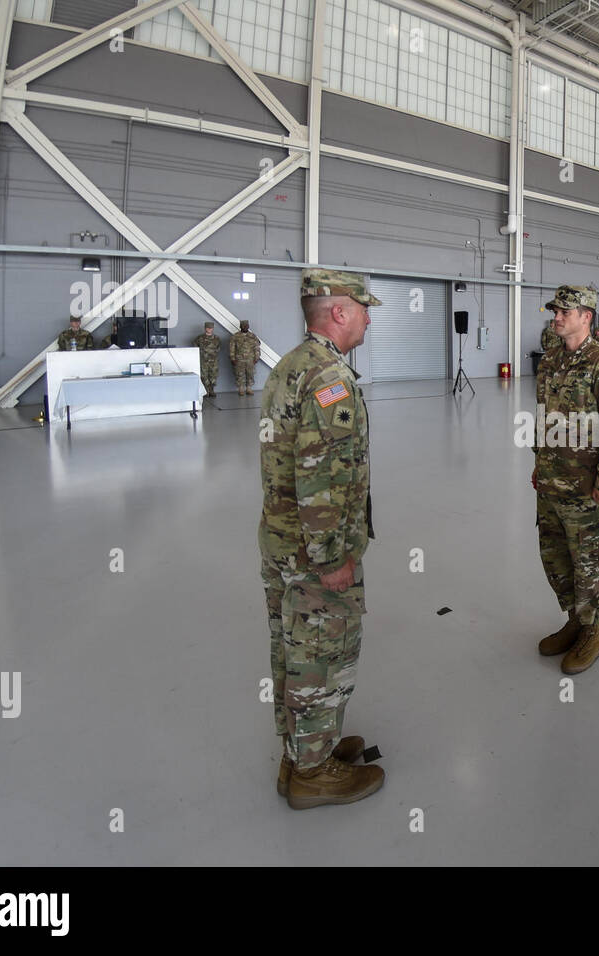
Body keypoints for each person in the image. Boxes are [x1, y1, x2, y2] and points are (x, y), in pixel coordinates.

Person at [258, 269, 385, 811]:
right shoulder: (330, 378)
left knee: (292, 649)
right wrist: (333, 557)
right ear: (339, 312)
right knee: (322, 654)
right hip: (315, 553)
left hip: (283, 543)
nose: (368, 318)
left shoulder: (291, 365)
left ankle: (303, 750)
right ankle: (313, 774)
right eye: (362, 308)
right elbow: (320, 475)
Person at [533, 285, 599, 675]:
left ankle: (596, 630)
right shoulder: (551, 361)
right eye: (555, 310)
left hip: (586, 487)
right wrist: (538, 463)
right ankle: (576, 620)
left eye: (565, 311)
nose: (556, 316)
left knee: (589, 561)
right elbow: (544, 418)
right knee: (557, 558)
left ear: (586, 317)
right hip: (551, 481)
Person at [230, 319, 262, 395]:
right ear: (240, 326)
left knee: (250, 374)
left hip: (250, 359)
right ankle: (241, 389)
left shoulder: (252, 336)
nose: (245, 327)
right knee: (239, 374)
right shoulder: (235, 336)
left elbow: (256, 347)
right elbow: (232, 348)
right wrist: (232, 358)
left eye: (246, 325)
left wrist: (257, 358)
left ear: (248, 326)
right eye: (243, 325)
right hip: (239, 359)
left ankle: (249, 388)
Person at [191, 320, 221, 398]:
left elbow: (219, 348)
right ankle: (206, 391)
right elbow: (195, 347)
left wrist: (213, 353)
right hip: (203, 360)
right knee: (204, 376)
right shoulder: (200, 338)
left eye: (211, 328)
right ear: (205, 328)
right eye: (208, 328)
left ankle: (212, 390)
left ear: (213, 329)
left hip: (213, 361)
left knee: (213, 375)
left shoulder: (216, 338)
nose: (209, 329)